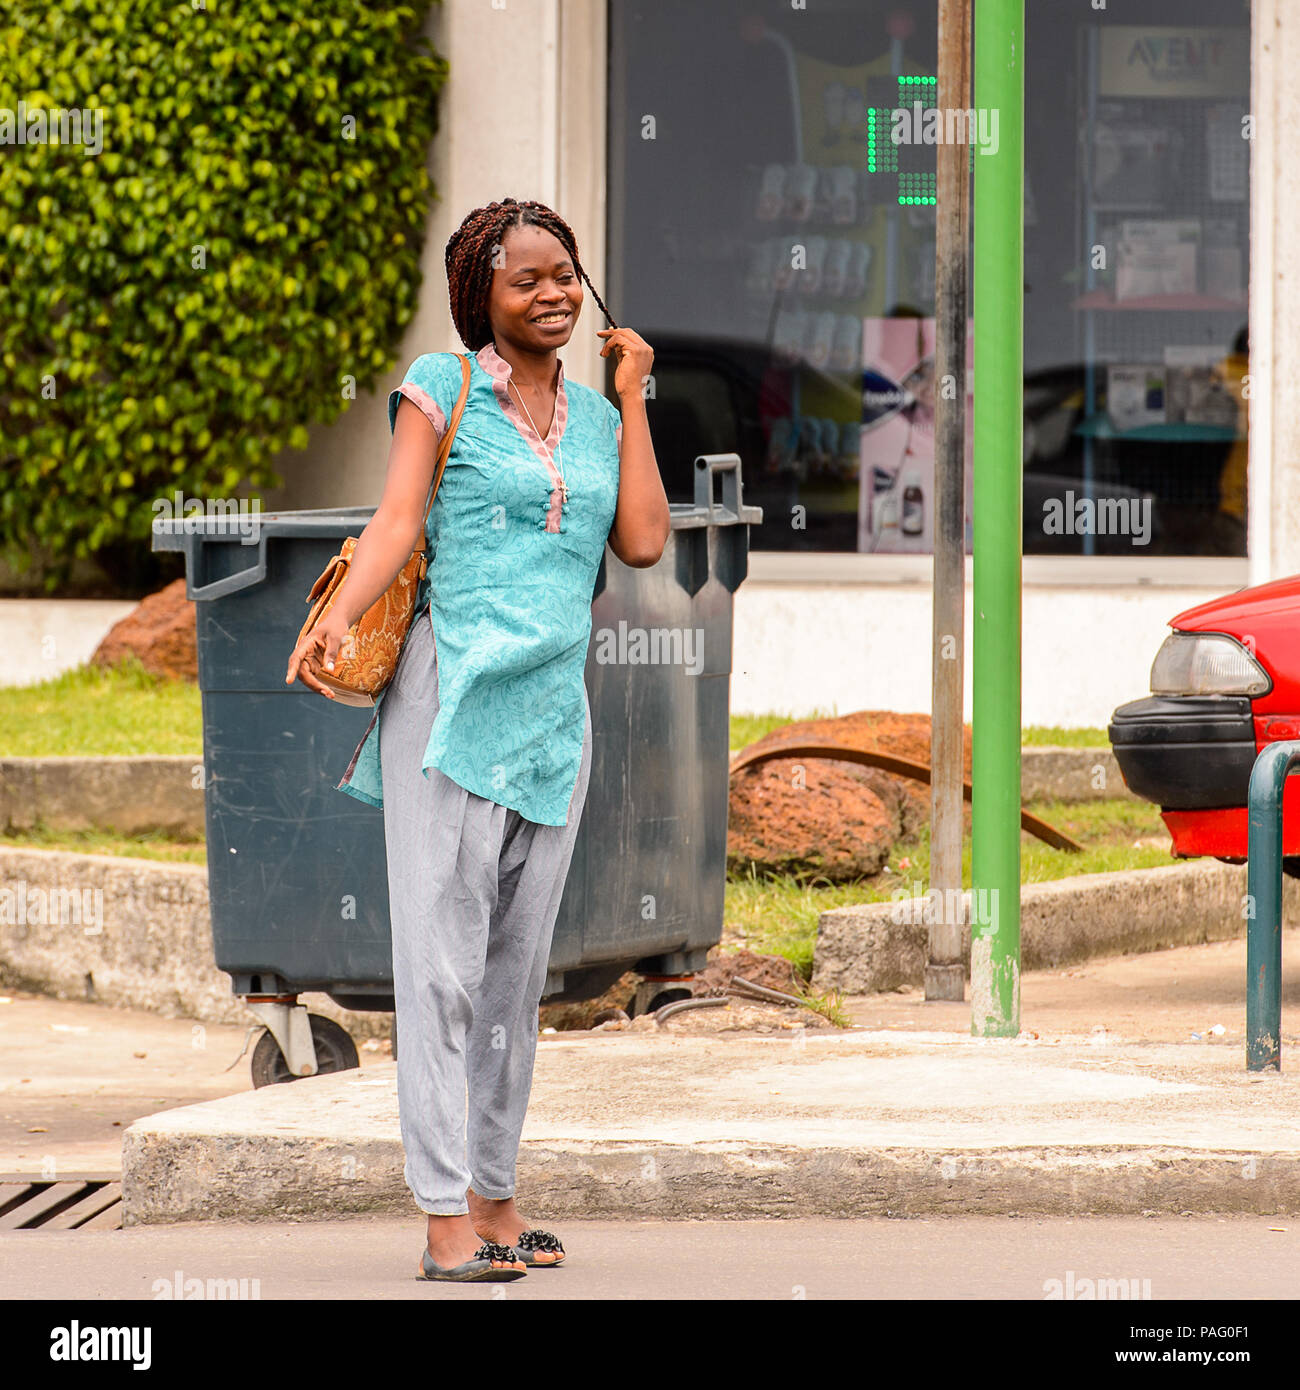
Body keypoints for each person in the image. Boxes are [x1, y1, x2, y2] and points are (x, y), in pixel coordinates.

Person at [285, 197, 670, 1281]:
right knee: (441, 973)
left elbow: (644, 540)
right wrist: (339, 612)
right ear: (479, 296)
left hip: (552, 720)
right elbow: (397, 518)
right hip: (452, 707)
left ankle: (497, 1199)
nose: (552, 293)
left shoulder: (594, 418)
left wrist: (633, 398)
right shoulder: (441, 386)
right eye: (525, 278)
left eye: (565, 275)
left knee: (512, 981)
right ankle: (443, 1217)